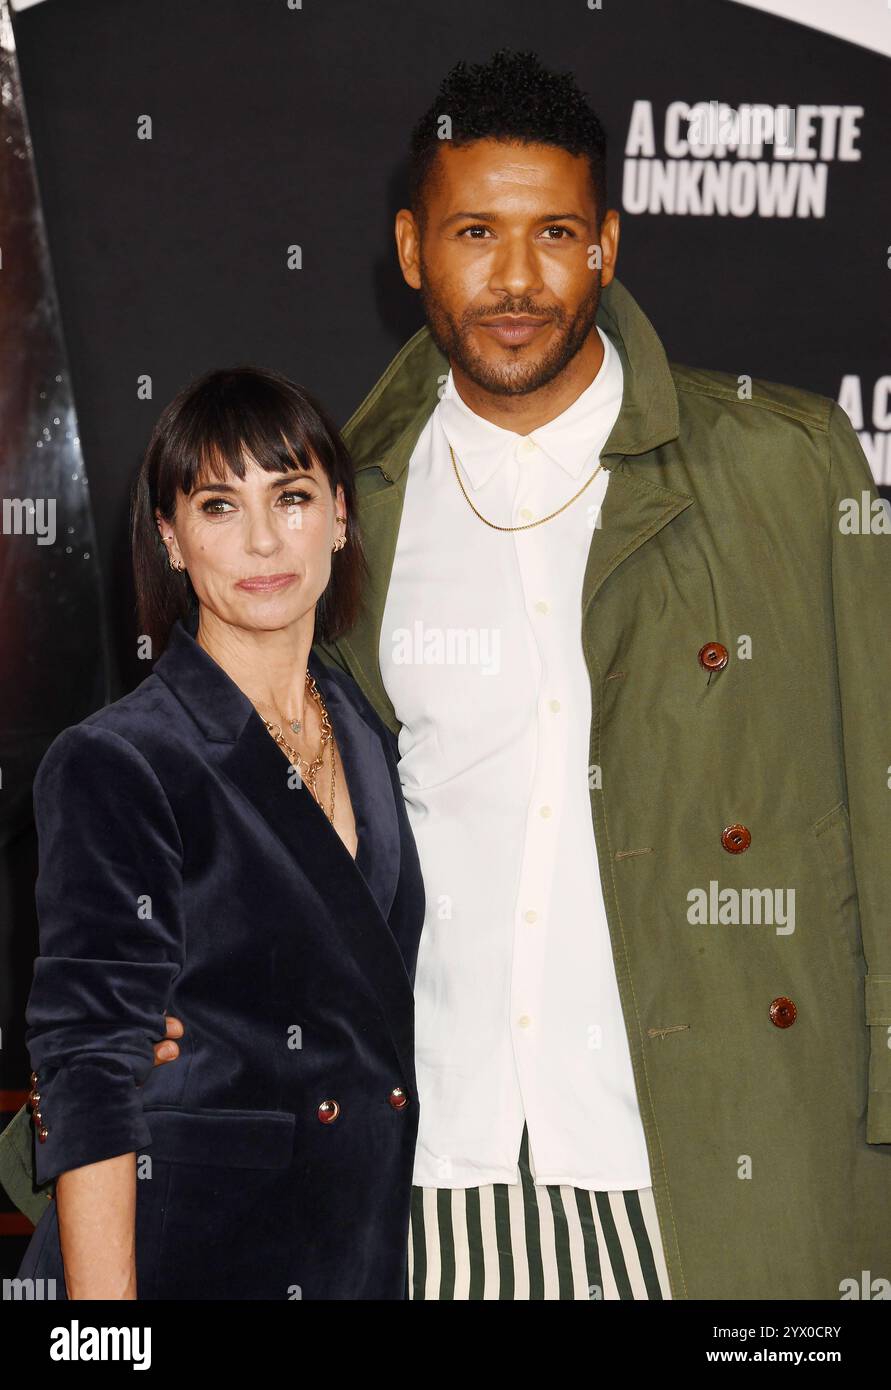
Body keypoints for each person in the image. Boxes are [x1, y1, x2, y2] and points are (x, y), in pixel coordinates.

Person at [11, 365, 425, 1299]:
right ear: (170, 535)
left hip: (354, 1250)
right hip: (186, 1252)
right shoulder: (119, 761)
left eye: (291, 496)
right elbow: (88, 1073)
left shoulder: (367, 727)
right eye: (218, 505)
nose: (265, 539)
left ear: (340, 515)